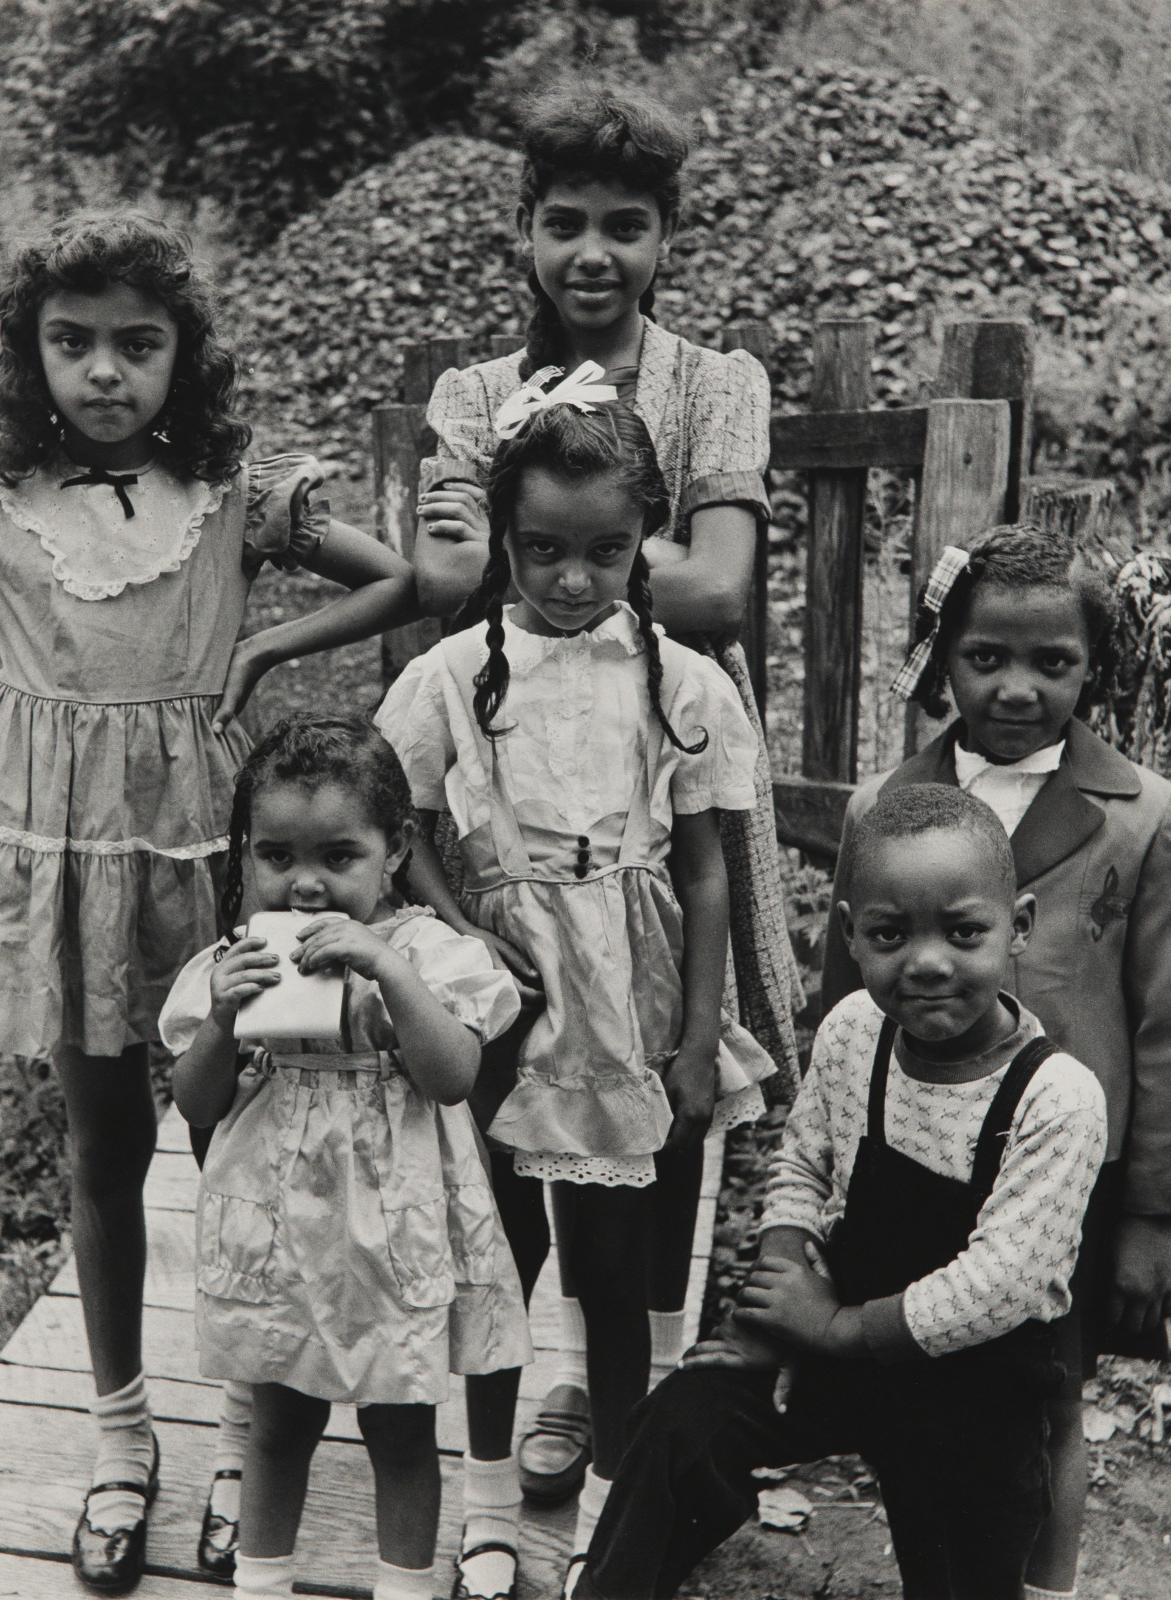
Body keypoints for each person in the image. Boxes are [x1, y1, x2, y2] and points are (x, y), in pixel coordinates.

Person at [0, 213, 415, 1594]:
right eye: (71, 342)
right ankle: (118, 1436)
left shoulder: (227, 494)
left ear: (179, 355)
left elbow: (391, 575)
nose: (104, 373)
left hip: (200, 857)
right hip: (63, 861)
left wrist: (260, 644)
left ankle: (241, 1441)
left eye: (137, 345)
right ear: (30, 354)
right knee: (99, 1154)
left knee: (233, 1147)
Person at [406, 83, 800, 1582]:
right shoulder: (468, 388)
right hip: (513, 802)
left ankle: (633, 1410)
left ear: (664, 239)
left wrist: (562, 560)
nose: (591, 251)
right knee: (519, 1106)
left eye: (623, 226)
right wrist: (608, 553)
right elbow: (454, 577)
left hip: (662, 783)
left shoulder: (714, 383)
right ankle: (545, 1402)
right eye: (562, 221)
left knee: (660, 1102)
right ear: (522, 227)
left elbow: (715, 591)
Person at [377, 392, 776, 1598]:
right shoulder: (451, 676)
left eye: (604, 551)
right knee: (496, 1264)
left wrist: (699, 1039)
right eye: (542, 549)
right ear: (503, 538)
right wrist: (462, 936)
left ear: (645, 539)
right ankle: (489, 1506)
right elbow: (394, 829)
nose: (569, 577)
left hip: (631, 1000)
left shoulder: (684, 682)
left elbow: (706, 875)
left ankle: (610, 1511)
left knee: (613, 1270)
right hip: (502, 1008)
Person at [575, 783, 1108, 1600]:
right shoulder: (855, 1030)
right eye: (890, 933)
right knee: (685, 1420)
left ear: (1019, 929)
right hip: (833, 1344)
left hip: (973, 1389)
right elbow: (804, 1165)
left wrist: (828, 1328)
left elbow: (998, 1286)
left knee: (965, 1570)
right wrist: (775, 1315)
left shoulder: (1055, 1098)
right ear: (851, 932)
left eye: (964, 932)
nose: (926, 961)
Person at [821, 524, 1171, 1599]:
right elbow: (844, 1008)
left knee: (1044, 1397)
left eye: (1053, 661)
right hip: (917, 1163)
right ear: (943, 655)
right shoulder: (879, 811)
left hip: (1069, 1176)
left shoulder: (1144, 819)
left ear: (1095, 666)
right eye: (985, 656)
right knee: (929, 1388)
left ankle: (1045, 1588)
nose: (1017, 686)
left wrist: (1151, 1218)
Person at [161, 715, 532, 1600]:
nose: (306, 886)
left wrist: (390, 975)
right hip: (282, 1237)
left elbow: (453, 1078)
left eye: (338, 855)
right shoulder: (238, 961)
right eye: (277, 857)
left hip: (392, 1238)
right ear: (246, 858)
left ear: (394, 848)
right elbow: (196, 1103)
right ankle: (261, 1584)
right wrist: (221, 1018)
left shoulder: (432, 956)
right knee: (278, 1425)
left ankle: (402, 1588)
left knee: (400, 1431)